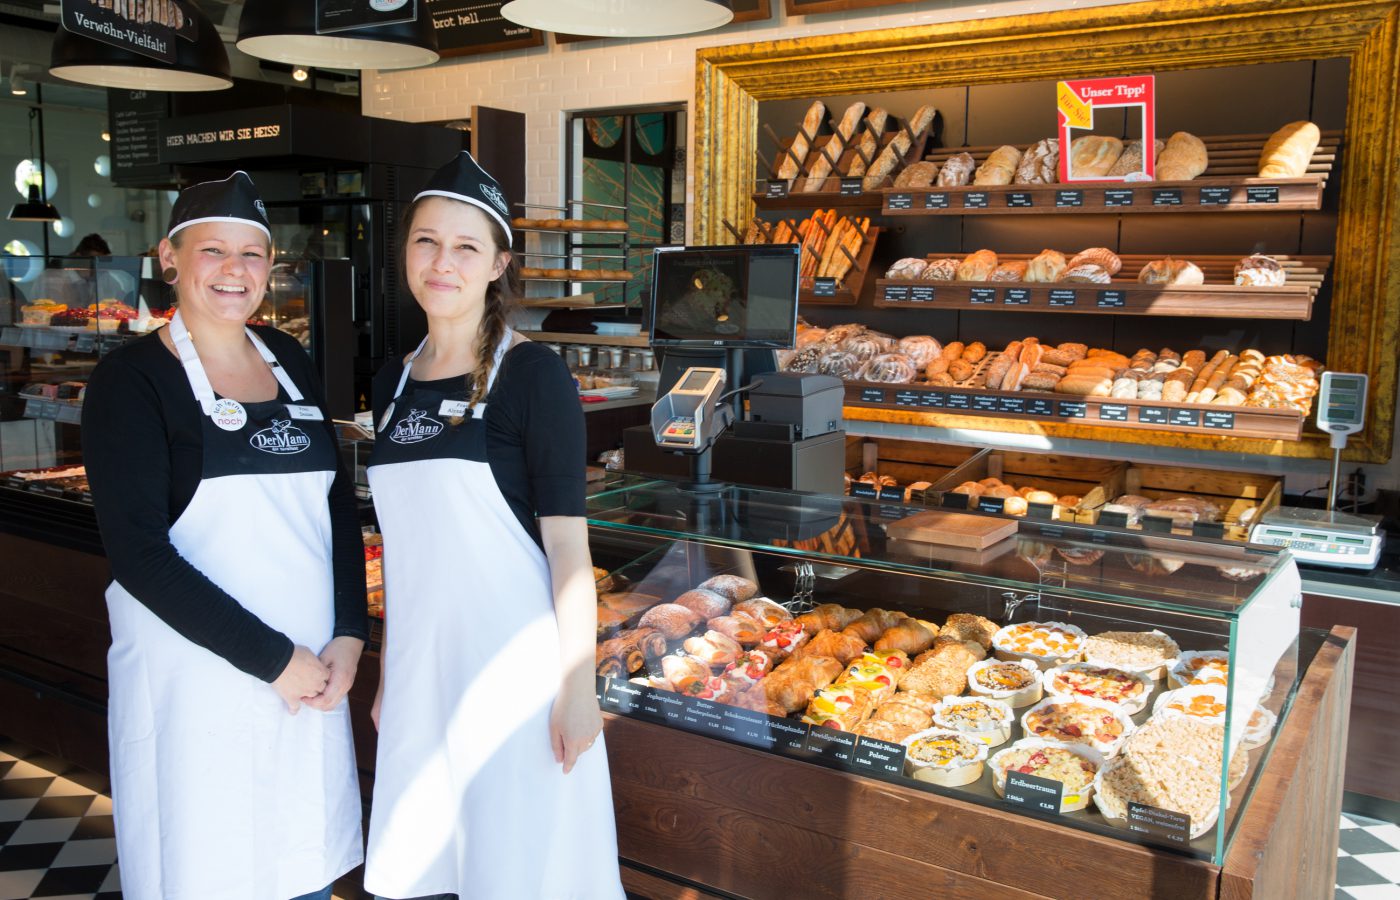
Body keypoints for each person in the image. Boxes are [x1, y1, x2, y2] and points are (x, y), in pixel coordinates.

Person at [81, 171, 367, 900]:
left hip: (308, 677)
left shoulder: (289, 360)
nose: (234, 270)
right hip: (199, 686)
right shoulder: (131, 382)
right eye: (213, 250)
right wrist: (273, 660)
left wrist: (349, 632)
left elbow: (334, 504)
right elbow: (141, 557)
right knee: (210, 866)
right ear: (170, 258)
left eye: (252, 254)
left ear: (270, 267)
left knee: (299, 866)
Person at [364, 152, 624, 900]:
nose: (441, 262)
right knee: (430, 866)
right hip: (422, 673)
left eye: (465, 247)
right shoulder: (392, 381)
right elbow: (406, 552)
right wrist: (390, 673)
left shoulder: (532, 375)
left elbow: (568, 549)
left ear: (498, 264)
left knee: (517, 871)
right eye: (426, 241)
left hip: (515, 677)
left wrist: (578, 688)